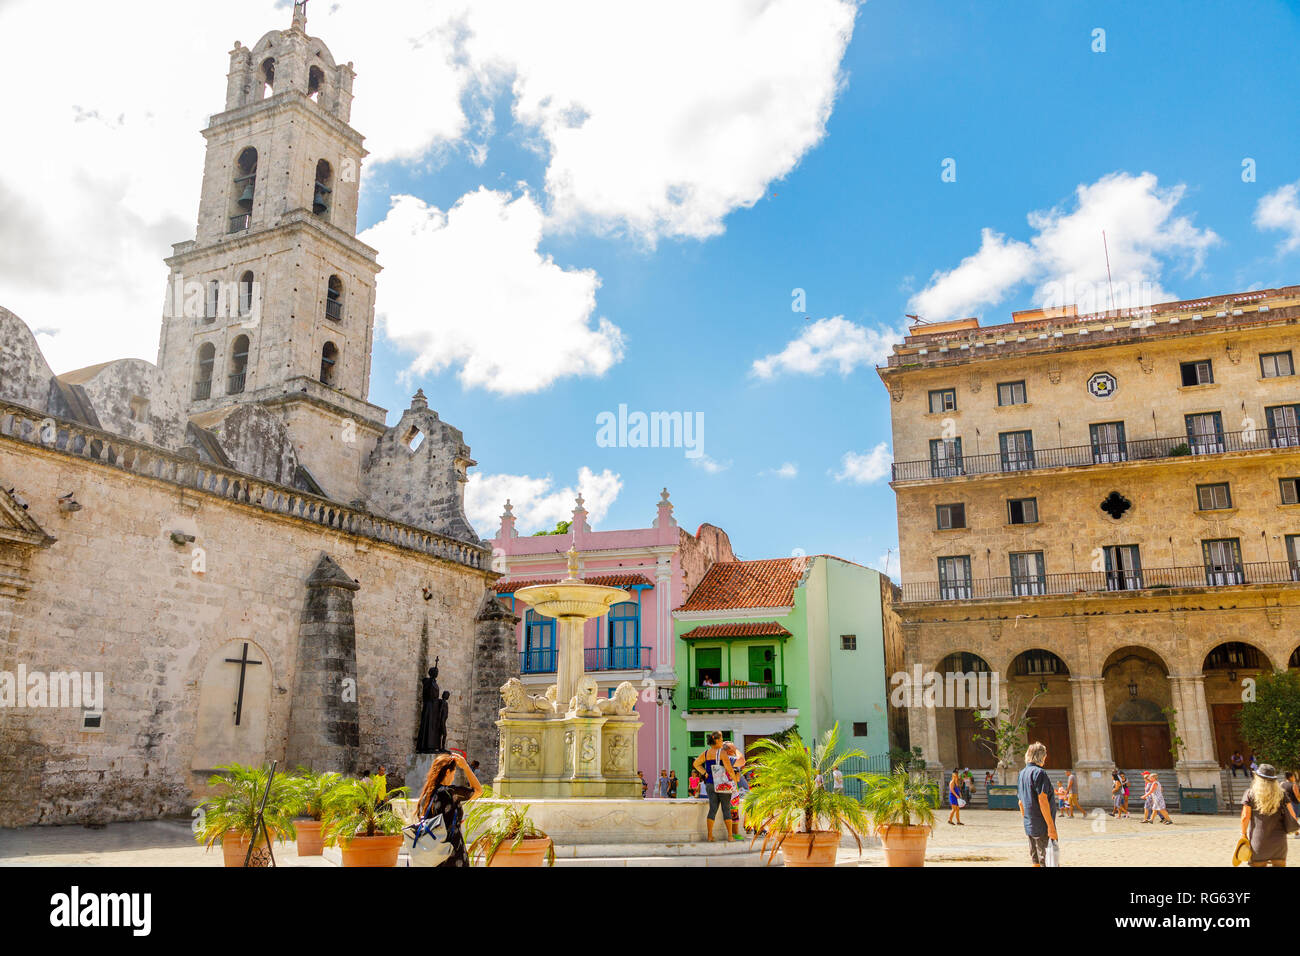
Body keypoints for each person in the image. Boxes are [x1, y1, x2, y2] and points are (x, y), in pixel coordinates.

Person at [414, 751, 483, 868]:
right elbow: (478, 790)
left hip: (433, 856)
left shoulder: (426, 795)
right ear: (447, 772)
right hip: (452, 854)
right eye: (454, 773)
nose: (453, 777)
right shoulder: (449, 792)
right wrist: (466, 766)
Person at [693, 732, 742, 841]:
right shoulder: (722, 753)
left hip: (710, 784)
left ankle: (710, 836)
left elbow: (696, 764)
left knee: (713, 809)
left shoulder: (705, 753)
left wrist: (705, 773)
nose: (722, 741)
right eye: (721, 739)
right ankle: (730, 836)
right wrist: (734, 781)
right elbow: (729, 769)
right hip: (722, 784)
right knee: (726, 809)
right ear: (717, 740)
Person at [1241, 764, 1291, 866]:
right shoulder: (1281, 794)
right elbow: (1292, 814)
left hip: (1259, 840)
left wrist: (1243, 834)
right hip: (1279, 840)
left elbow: (1245, 817)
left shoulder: (1250, 794)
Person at [1017, 741, 1058, 866]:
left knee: (1036, 861)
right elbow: (1042, 799)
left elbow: (1020, 802)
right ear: (1041, 756)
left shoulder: (1022, 774)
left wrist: (1027, 820)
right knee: (1051, 861)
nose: (1045, 758)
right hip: (1042, 825)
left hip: (1030, 824)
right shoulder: (1039, 773)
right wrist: (1050, 826)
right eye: (1045, 755)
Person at [1282, 771, 1300, 838]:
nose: (1294, 778)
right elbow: (1297, 795)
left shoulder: (1282, 784)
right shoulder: (1294, 785)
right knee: (1295, 818)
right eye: (1294, 776)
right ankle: (1296, 833)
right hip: (1294, 803)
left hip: (1285, 803)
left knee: (1288, 818)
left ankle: (1287, 832)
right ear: (1291, 777)